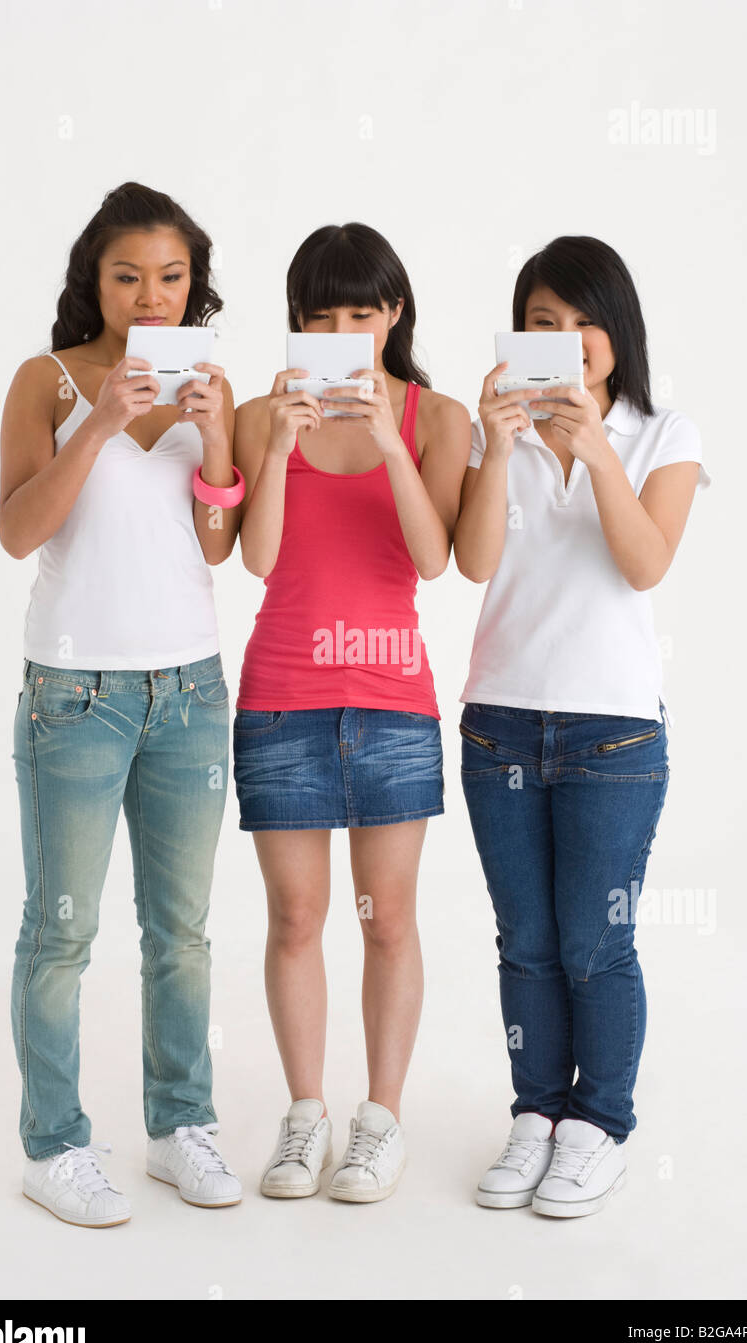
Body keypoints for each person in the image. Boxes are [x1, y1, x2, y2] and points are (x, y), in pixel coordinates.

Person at [0, 181, 245, 1227]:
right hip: (76, 693)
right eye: (128, 276)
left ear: (195, 284)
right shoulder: (46, 379)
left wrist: (219, 440)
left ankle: (177, 1124)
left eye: (172, 277)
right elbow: (17, 530)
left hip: (190, 687)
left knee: (180, 931)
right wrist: (96, 425)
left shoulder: (211, 383)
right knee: (61, 932)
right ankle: (53, 1145)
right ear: (92, 281)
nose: (151, 296)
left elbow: (220, 547)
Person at [453, 235, 709, 1218]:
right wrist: (499, 441)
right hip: (499, 723)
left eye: (581, 322)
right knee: (522, 939)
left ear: (615, 331)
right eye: (541, 324)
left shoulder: (661, 432)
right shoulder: (498, 435)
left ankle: (596, 1122)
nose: (564, 340)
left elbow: (643, 563)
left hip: (611, 737)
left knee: (593, 943)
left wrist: (594, 446)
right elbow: (473, 564)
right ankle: (535, 1111)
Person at [233, 222, 471, 1202]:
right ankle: (304, 1117)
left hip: (391, 703)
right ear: (296, 321)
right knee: (295, 918)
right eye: (321, 314)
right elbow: (255, 557)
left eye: (360, 313)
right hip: (282, 698)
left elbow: (432, 557)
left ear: (393, 314)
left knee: (388, 920)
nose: (342, 330)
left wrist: (386, 443)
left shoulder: (436, 416)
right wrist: (283, 443)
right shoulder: (257, 415)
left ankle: (380, 1119)